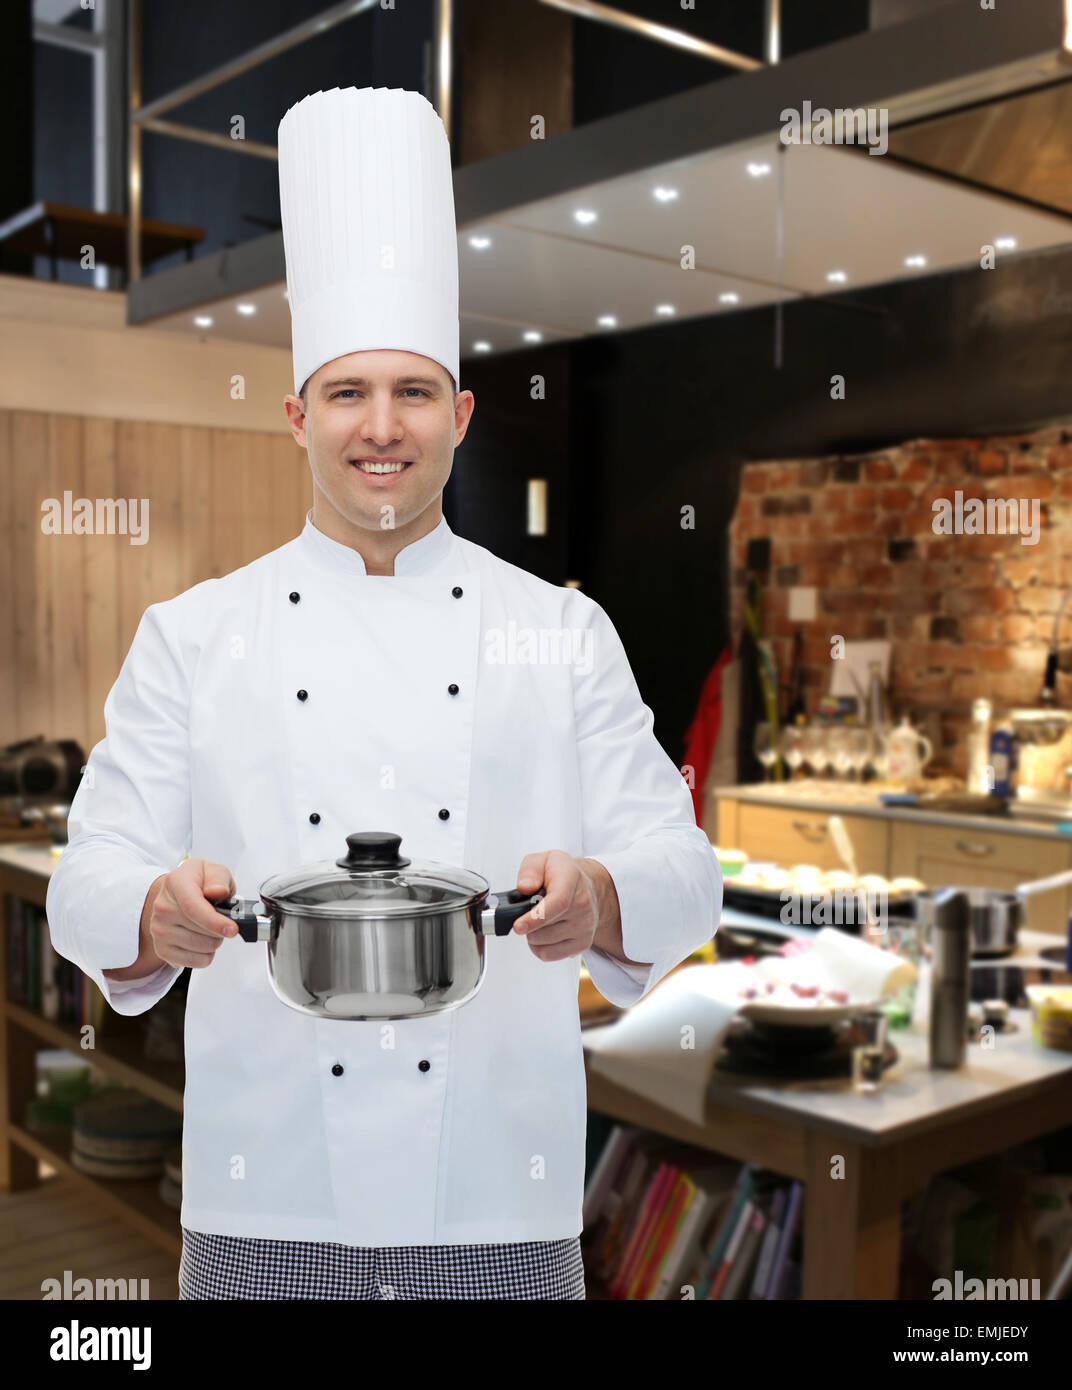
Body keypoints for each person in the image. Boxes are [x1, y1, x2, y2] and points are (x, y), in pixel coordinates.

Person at [46, 86, 723, 1301]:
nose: (382, 428)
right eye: (349, 393)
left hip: (499, 1196)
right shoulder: (194, 634)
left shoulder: (560, 629)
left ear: (459, 416)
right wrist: (150, 909)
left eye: (413, 392)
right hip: (267, 1193)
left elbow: (686, 869)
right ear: (297, 416)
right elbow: (82, 881)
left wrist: (605, 894)